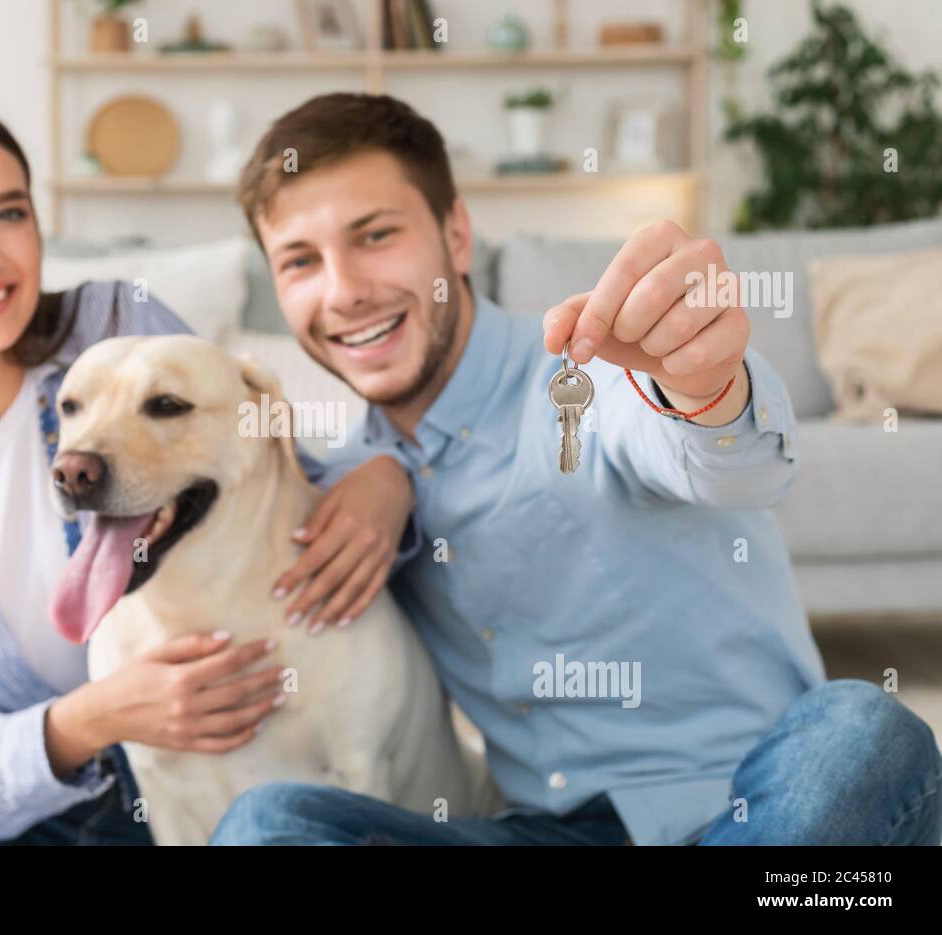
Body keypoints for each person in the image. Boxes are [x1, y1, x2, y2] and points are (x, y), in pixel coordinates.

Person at [210, 93, 942, 845]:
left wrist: (707, 385)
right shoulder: (343, 474)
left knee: (860, 732)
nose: (343, 290)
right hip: (549, 833)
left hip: (758, 811)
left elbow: (733, 462)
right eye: (300, 261)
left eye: (375, 235)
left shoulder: (586, 371)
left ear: (455, 234)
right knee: (272, 823)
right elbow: (149, 398)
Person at [0, 98, 415, 845]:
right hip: (10, 795)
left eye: (10, 214)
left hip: (184, 778)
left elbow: (265, 459)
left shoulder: (118, 325)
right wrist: (97, 715)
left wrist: (384, 474)